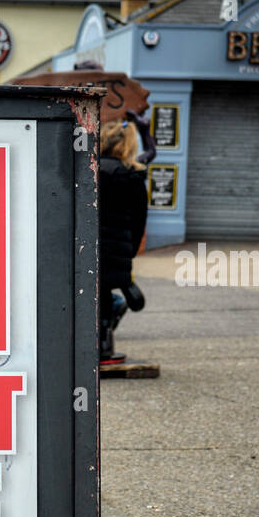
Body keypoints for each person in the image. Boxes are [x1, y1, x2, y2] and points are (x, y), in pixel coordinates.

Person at [98, 119, 148, 364]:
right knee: (106, 295)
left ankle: (91, 344)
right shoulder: (133, 176)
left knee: (93, 295)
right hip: (118, 249)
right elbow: (140, 219)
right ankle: (105, 349)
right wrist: (131, 252)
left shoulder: (89, 168)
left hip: (88, 247)